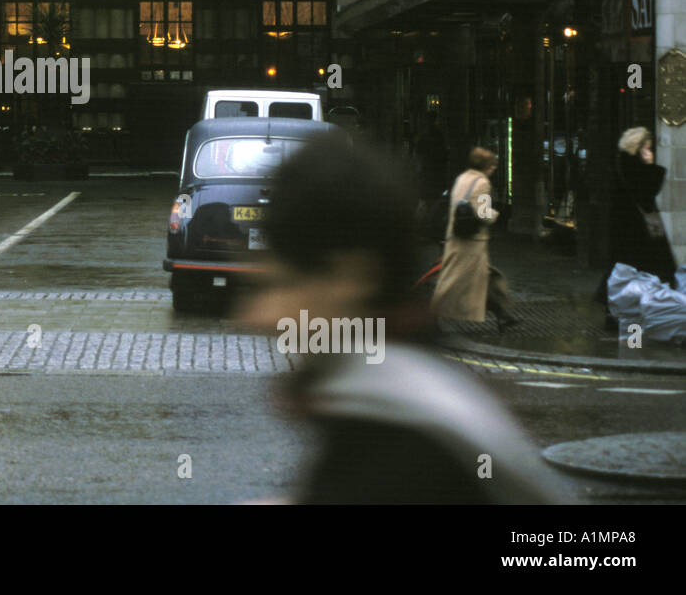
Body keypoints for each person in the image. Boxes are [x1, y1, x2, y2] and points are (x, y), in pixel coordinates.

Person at [238, 133, 567, 503]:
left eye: (283, 285)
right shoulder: (400, 406)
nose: (256, 316)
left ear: (352, 277)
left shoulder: (400, 444)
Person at [431, 147, 516, 329]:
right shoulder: (482, 183)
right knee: (453, 280)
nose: (493, 168)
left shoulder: (462, 178)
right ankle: (431, 316)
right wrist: (496, 215)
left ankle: (502, 315)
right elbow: (483, 212)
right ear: (486, 166)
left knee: (482, 278)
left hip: (456, 236)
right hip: (472, 241)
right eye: (492, 165)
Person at [597, 126, 678, 305]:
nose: (650, 152)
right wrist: (651, 166)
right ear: (638, 147)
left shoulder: (623, 163)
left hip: (629, 228)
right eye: (647, 148)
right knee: (644, 269)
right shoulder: (633, 167)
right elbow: (648, 191)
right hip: (637, 229)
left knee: (625, 271)